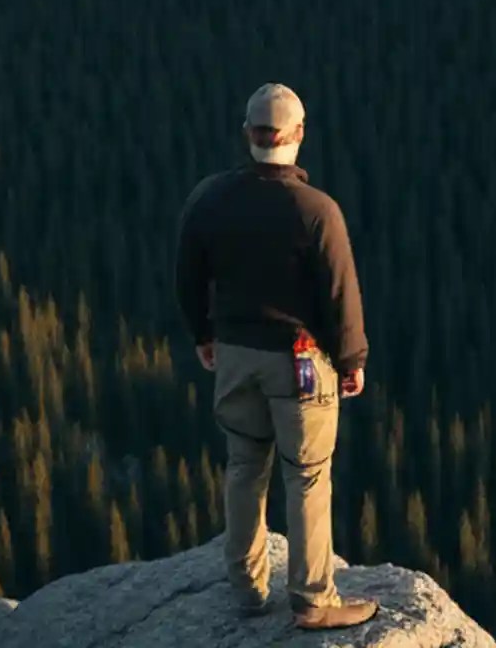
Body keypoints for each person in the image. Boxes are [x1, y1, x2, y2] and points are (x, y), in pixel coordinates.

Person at [174, 83, 377, 630]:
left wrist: (204, 333)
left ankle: (246, 590)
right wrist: (351, 357)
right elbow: (341, 293)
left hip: (236, 355)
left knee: (244, 466)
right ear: (299, 137)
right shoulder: (316, 211)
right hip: (300, 360)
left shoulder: (210, 199)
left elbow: (188, 274)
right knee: (307, 476)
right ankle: (313, 600)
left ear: (249, 136)